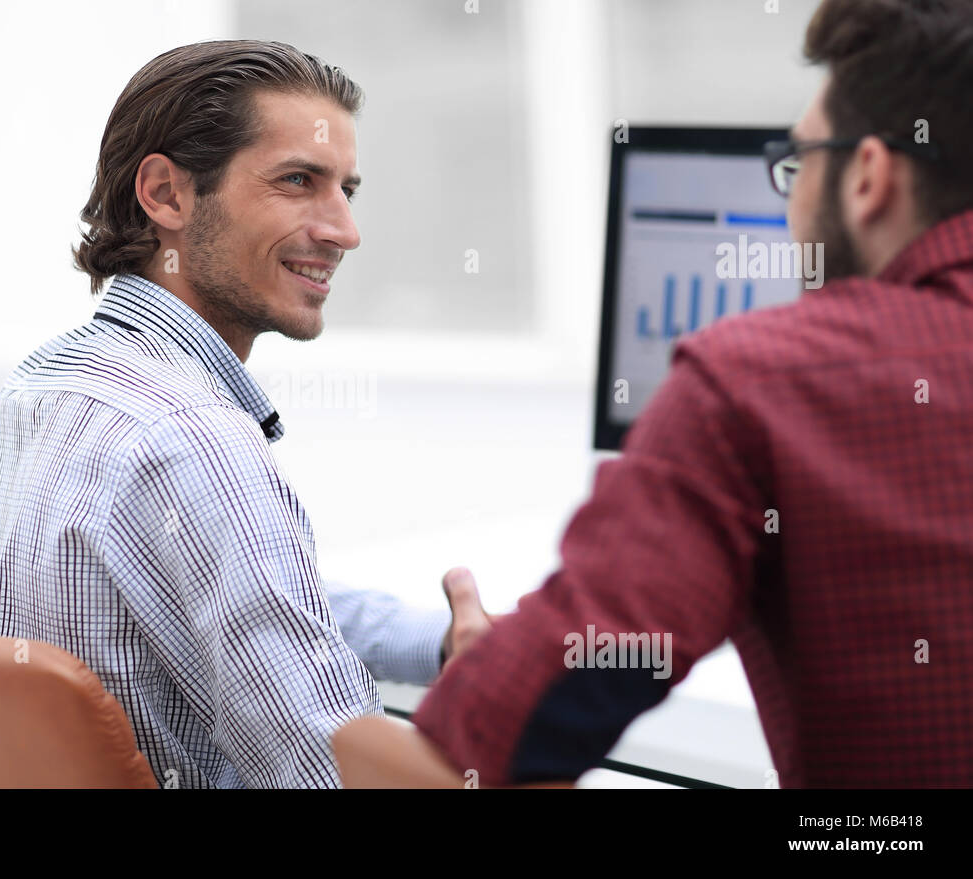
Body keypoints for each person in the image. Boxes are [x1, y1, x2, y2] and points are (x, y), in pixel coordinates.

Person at [413, 0, 973, 788]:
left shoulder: (762, 382)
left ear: (869, 178)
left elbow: (489, 744)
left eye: (798, 160)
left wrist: (489, 680)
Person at [0, 39, 490, 788]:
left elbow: (234, 597)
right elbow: (333, 773)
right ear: (167, 195)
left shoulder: (47, 384)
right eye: (298, 181)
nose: (344, 230)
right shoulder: (194, 439)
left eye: (347, 188)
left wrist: (438, 640)